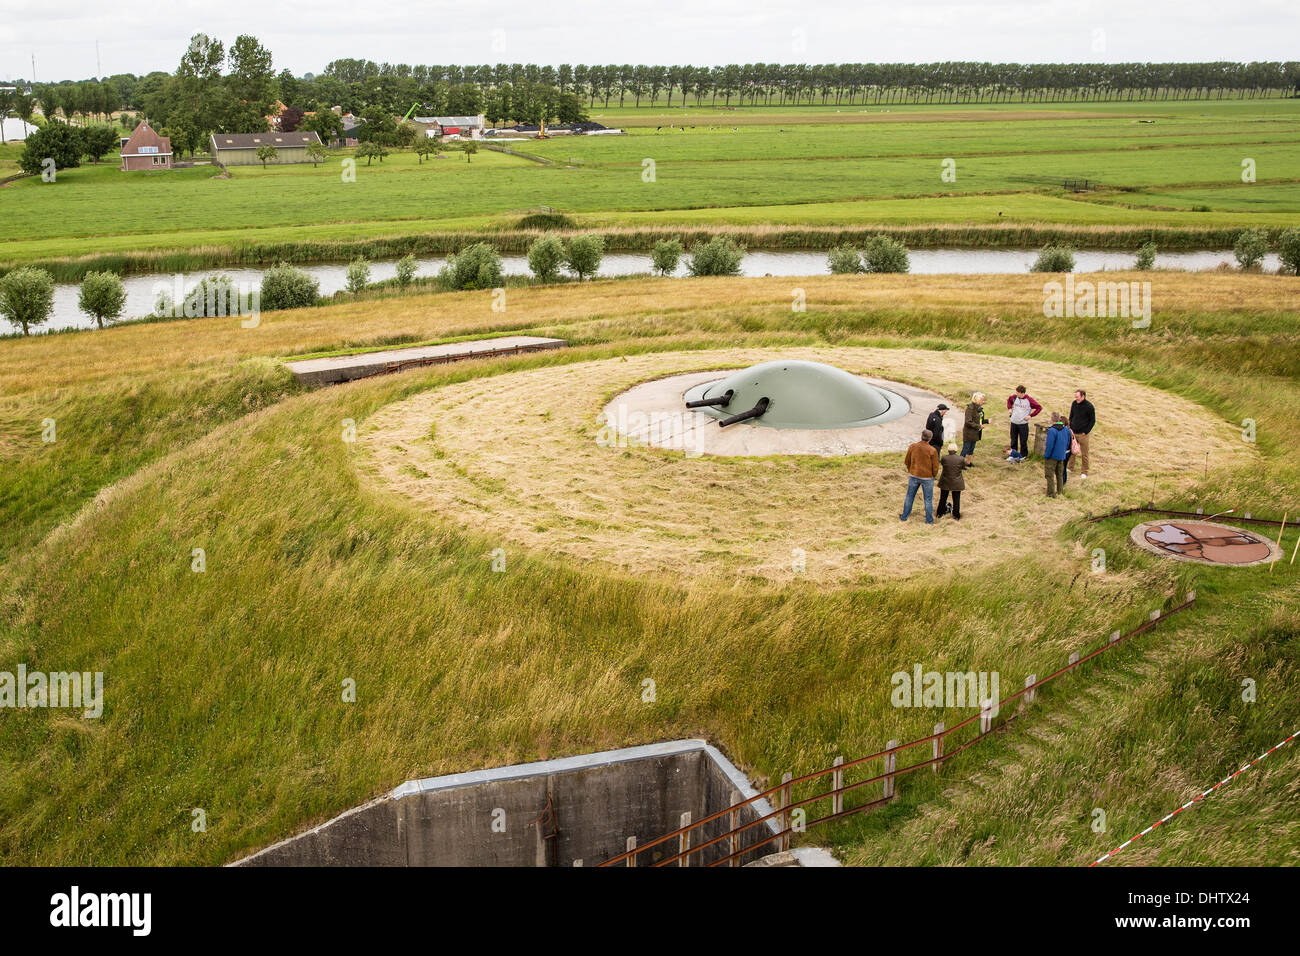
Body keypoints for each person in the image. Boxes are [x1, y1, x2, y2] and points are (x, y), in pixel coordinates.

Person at [900, 428, 941, 523]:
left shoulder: (913, 446)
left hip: (914, 475)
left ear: (921, 436)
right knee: (928, 499)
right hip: (927, 477)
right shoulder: (932, 450)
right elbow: (935, 466)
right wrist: (933, 476)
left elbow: (907, 461)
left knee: (909, 496)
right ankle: (929, 520)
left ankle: (904, 516)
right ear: (930, 438)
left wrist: (911, 470)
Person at [1005, 385, 1043, 462]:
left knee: (1023, 441)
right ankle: (1013, 455)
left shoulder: (1029, 400)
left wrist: (1030, 415)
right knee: (1013, 440)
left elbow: (1039, 407)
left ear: (1022, 393)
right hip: (1014, 422)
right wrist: (1009, 408)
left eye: (1018, 393)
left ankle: (1023, 456)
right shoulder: (1014, 397)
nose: (1017, 394)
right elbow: (1009, 400)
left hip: (1023, 424)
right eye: (1016, 392)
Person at [1043, 412, 1072, 498]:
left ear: (1052, 419)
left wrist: (1046, 455)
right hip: (1062, 455)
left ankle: (1051, 493)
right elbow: (1067, 442)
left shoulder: (1052, 430)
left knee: (1049, 475)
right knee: (1059, 474)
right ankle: (1060, 491)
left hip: (1052, 456)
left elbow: (1049, 445)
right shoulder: (1066, 429)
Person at [1068, 389, 1095, 479]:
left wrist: (1086, 431)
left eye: (1078, 397)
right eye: (1075, 397)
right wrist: (1070, 427)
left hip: (1083, 435)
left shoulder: (1089, 406)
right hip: (1073, 432)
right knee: (1072, 451)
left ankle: (1084, 471)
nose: (1076, 399)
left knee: (1084, 453)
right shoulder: (1074, 403)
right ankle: (1070, 468)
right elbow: (1071, 416)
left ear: (1083, 396)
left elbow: (1092, 421)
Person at [938, 442, 966, 520]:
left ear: (948, 450)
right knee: (956, 499)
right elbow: (963, 466)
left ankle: (939, 513)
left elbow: (943, 464)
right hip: (957, 482)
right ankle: (956, 515)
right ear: (956, 450)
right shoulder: (961, 459)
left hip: (945, 480)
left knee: (943, 498)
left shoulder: (944, 458)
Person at [961, 393, 988, 467]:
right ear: (978, 400)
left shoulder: (979, 409)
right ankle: (960, 464)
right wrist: (978, 426)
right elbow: (968, 421)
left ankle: (968, 463)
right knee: (965, 448)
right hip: (969, 433)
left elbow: (980, 420)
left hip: (975, 433)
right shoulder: (970, 408)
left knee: (971, 449)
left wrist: (987, 421)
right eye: (982, 400)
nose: (983, 401)